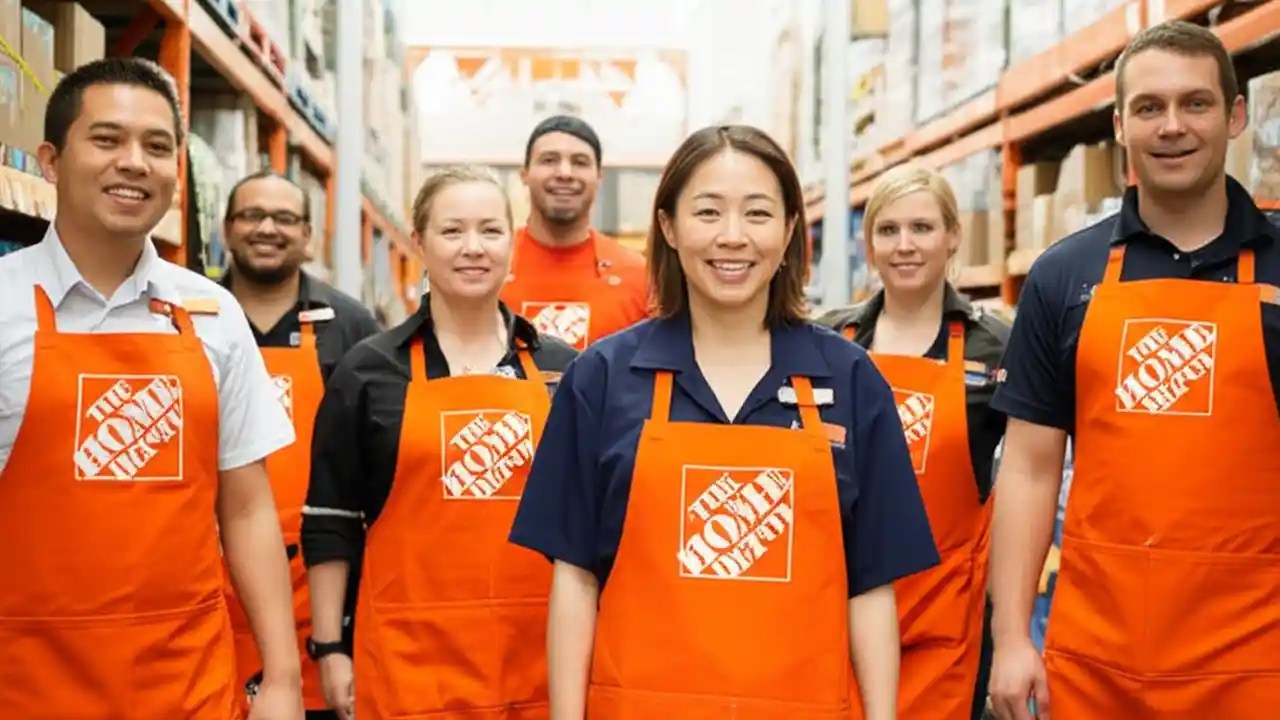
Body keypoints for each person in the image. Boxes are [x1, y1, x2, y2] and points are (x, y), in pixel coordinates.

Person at [508, 124, 940, 720]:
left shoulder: (850, 380)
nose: (732, 237)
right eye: (708, 212)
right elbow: (574, 579)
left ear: (790, 231)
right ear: (669, 227)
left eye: (758, 214)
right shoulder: (602, 378)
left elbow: (871, 588)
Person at [986, 20, 1280, 720]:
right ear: (1120, 125)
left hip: (1258, 657)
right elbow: (1027, 469)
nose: (1172, 126)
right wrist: (1009, 640)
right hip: (1095, 661)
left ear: (1235, 115)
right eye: (1149, 107)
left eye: (1195, 103)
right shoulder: (1065, 276)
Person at [0, 58, 302, 718]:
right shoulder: (3, 304)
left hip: (186, 687)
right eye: (107, 140)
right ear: (51, 161)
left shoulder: (214, 315)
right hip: (25, 684)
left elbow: (248, 509)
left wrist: (282, 679)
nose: (134, 162)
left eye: (157, 146)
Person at [300, 165, 578, 720]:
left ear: (513, 244)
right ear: (419, 242)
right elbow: (330, 517)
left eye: (490, 231)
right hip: (410, 660)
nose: (472, 248)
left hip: (539, 657)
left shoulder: (563, 371)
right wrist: (330, 648)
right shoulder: (369, 371)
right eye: (452, 231)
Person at [816, 165, 1009, 720]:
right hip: (838, 610)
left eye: (922, 228)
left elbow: (1027, 481)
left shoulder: (997, 347)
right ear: (868, 243)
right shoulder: (827, 343)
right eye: (888, 230)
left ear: (952, 236)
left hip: (946, 617)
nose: (905, 246)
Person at [220, 169, 381, 718]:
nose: (267, 228)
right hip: (213, 584)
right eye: (252, 215)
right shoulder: (191, 314)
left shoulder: (352, 327)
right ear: (226, 229)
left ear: (308, 235)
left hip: (321, 581)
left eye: (285, 218)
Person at [500, 115, 649, 350]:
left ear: (599, 176)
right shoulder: (488, 267)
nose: (565, 173)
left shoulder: (639, 277)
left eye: (580, 162)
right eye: (549, 160)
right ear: (524, 174)